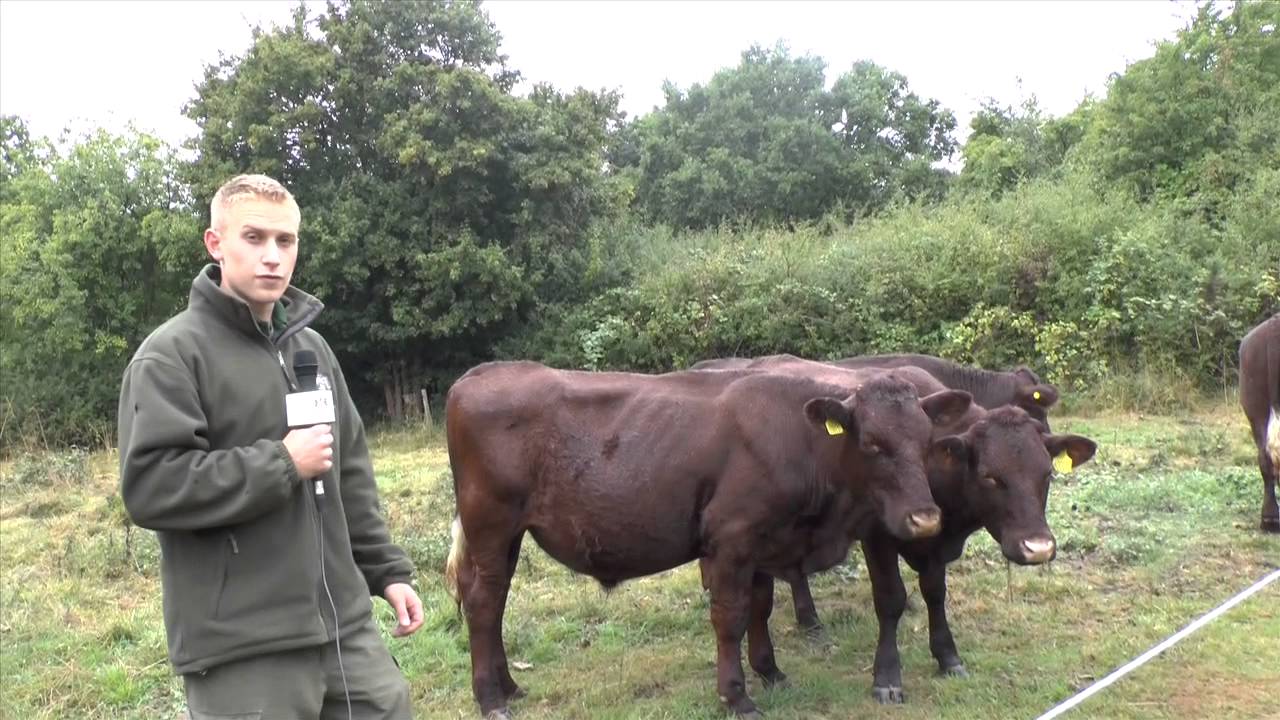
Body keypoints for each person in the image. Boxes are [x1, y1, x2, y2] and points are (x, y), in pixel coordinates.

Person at [118, 174, 423, 719]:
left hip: (342, 629)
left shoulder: (313, 349)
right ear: (216, 243)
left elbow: (348, 472)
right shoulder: (170, 356)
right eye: (254, 238)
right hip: (244, 646)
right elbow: (153, 486)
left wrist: (387, 571)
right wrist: (282, 463)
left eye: (286, 241)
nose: (273, 258)